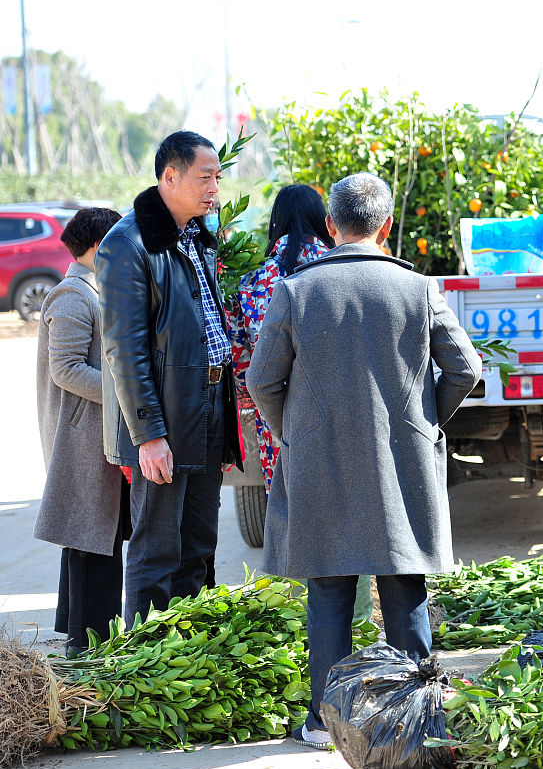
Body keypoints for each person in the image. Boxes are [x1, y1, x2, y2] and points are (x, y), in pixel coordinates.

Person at [246, 172, 482, 747]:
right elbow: (467, 370)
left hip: (319, 462)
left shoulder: (296, 291)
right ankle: (413, 715)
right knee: (404, 585)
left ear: (331, 227)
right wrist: (422, 425)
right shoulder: (418, 288)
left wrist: (293, 434)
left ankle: (325, 723)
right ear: (388, 226)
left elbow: (261, 380)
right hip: (399, 463)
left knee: (329, 591)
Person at [96, 131, 242, 623]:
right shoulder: (128, 244)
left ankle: (192, 658)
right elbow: (125, 351)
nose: (214, 189)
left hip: (206, 410)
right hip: (164, 420)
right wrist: (150, 435)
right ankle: (146, 667)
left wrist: (222, 430)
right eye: (205, 177)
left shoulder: (196, 235)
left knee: (199, 544)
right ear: (170, 176)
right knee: (157, 548)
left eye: (217, 178)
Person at [34, 207, 129, 655]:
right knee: (93, 538)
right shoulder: (72, 294)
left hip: (94, 431)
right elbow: (67, 370)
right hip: (82, 436)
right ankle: (89, 641)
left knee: (92, 537)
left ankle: (82, 635)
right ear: (97, 246)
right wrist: (125, 394)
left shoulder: (92, 289)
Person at [230, 185, 334, 493]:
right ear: (323, 221)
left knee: (287, 505)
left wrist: (251, 404)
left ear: (276, 222)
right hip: (341, 411)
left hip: (278, 416)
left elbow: (240, 357)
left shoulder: (253, 280)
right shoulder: (343, 269)